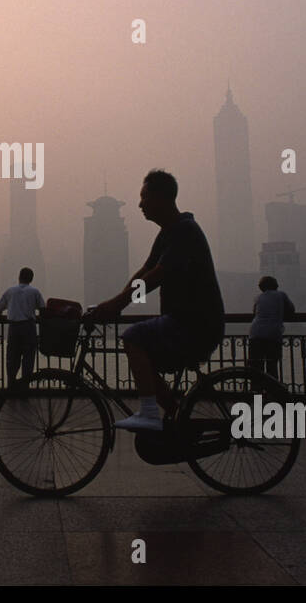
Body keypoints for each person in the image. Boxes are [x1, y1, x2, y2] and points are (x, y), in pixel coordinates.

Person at [93, 169, 226, 431]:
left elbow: (157, 275)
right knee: (145, 354)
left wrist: (118, 304)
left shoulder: (184, 231)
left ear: (162, 197)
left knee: (133, 337)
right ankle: (177, 416)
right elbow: (144, 271)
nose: (140, 204)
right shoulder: (169, 232)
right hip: (183, 322)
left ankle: (150, 413)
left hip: (194, 324)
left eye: (144, 197)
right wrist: (114, 301)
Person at [0, 267, 45, 385]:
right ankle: (24, 386)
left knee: (12, 357)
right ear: (31, 279)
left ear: (19, 277)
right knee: (28, 358)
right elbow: (43, 309)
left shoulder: (10, 291)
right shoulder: (35, 292)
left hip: (14, 327)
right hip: (29, 327)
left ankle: (11, 385)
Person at [248, 276, 295, 380]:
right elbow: (291, 309)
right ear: (275, 285)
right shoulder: (281, 295)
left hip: (255, 334)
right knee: (272, 368)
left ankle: (257, 396)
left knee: (256, 370)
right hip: (272, 335)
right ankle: (271, 395)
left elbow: (254, 312)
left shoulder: (258, 297)